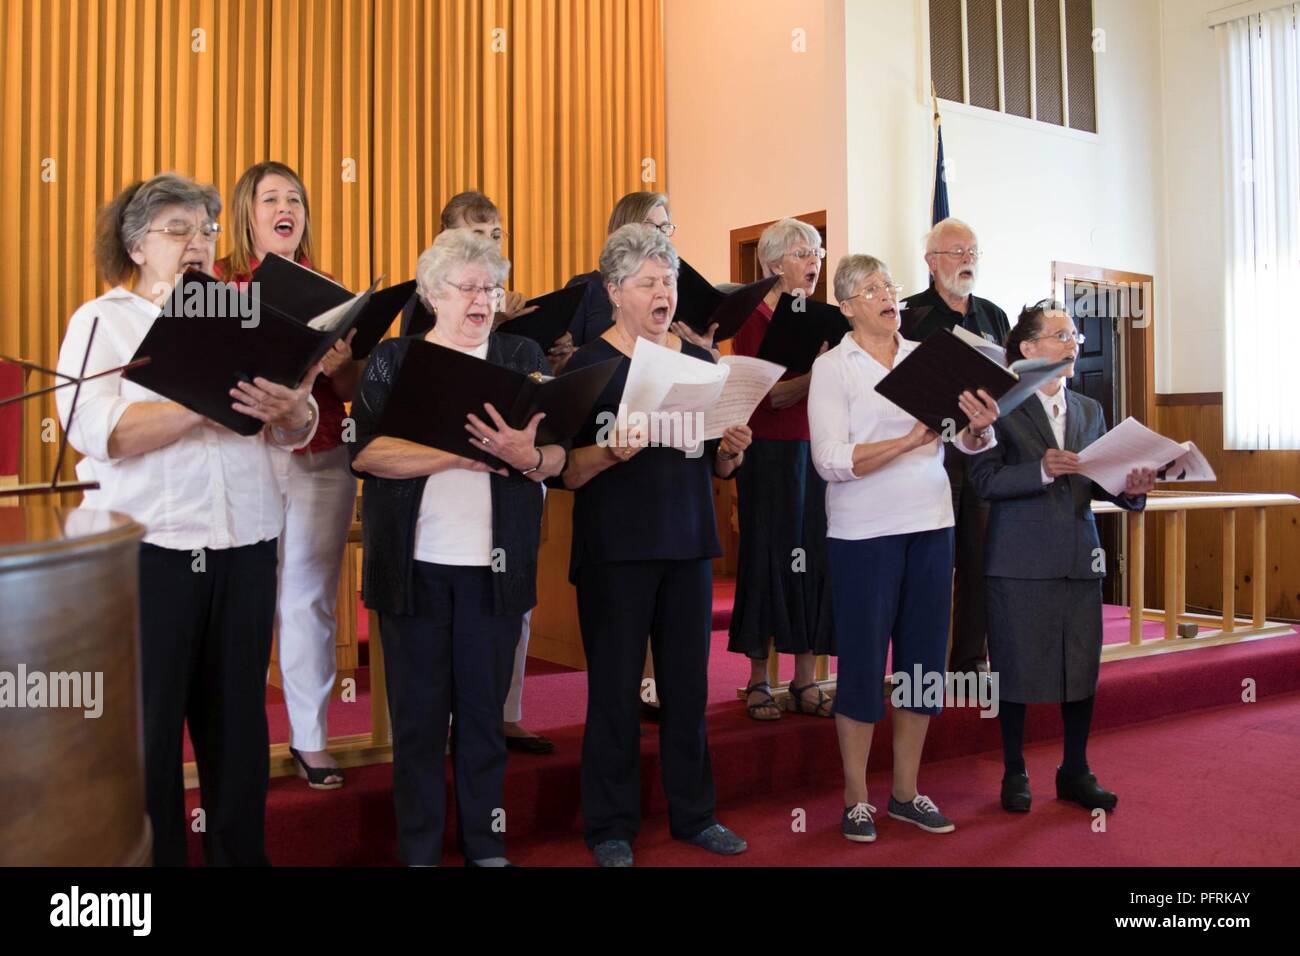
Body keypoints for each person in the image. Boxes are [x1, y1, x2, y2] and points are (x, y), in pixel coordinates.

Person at [57, 173, 319, 865]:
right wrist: (202, 403)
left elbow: (292, 429)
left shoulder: (247, 315)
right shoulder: (101, 321)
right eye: (179, 231)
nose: (197, 244)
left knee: (237, 730)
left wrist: (296, 412)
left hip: (246, 543)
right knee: (150, 731)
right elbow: (95, 429)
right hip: (151, 553)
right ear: (137, 245)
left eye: (205, 231)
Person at [349, 229, 566, 866]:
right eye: (466, 288)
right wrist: (464, 455)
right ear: (431, 295)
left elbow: (556, 451)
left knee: (481, 719)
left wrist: (531, 457)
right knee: (417, 723)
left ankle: (485, 844)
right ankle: (418, 848)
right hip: (413, 570)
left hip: (494, 573)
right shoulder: (396, 359)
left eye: (490, 288)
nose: (481, 300)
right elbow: (364, 452)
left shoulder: (522, 352)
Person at [558, 224, 752, 867]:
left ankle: (695, 813)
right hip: (616, 548)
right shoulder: (588, 365)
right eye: (647, 283)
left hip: (688, 541)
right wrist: (611, 449)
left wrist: (730, 453)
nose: (662, 292)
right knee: (615, 690)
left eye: (667, 281)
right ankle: (611, 826)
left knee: (687, 688)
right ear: (615, 291)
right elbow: (566, 471)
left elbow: (715, 470)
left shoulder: (698, 362)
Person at [809, 254, 999, 843]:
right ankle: (857, 798)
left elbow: (961, 446)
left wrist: (978, 428)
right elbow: (830, 461)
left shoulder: (927, 359)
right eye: (870, 288)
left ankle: (907, 793)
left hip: (931, 521)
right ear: (845, 306)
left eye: (888, 284)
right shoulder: (833, 369)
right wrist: (907, 440)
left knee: (921, 664)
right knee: (864, 664)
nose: (887, 294)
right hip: (864, 532)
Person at [968, 300, 1153, 813]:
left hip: (1078, 556)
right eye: (1060, 335)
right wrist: (1042, 471)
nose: (1074, 344)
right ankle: (1013, 771)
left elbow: (1102, 480)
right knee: (1016, 667)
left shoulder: (1091, 409)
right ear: (1027, 350)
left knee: (1080, 667)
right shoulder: (997, 406)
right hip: (1018, 560)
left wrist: (1133, 490)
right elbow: (983, 481)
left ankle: (1075, 769)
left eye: (1074, 335)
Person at [403, 190, 560, 755]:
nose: (488, 244)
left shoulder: (515, 332)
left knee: (511, 600)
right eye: (475, 234)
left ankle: (504, 712)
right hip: (443, 497)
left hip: (514, 475)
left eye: (496, 235)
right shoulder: (419, 314)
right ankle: (451, 722)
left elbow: (538, 395)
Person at [214, 160, 354, 790]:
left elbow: (350, 390)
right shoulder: (214, 283)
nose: (285, 206)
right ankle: (236, 741)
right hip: (245, 457)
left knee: (309, 600)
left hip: (321, 455)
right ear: (248, 213)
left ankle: (311, 738)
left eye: (294, 196)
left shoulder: (331, 288)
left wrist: (346, 362)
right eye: (270, 197)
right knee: (245, 602)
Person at [727, 217, 835, 721]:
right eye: (800, 253)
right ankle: (758, 679)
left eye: (816, 252)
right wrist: (822, 370)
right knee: (768, 557)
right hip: (765, 454)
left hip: (815, 451)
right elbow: (770, 397)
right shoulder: (749, 320)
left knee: (812, 557)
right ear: (771, 264)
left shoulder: (818, 318)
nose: (813, 262)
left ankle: (807, 677)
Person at [900, 218, 1010, 676]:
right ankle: (917, 664)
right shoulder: (908, 315)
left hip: (981, 455)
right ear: (931, 262)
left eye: (973, 252)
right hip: (930, 455)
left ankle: (969, 660)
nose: (968, 260)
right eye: (957, 252)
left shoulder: (994, 316)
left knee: (978, 560)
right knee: (928, 565)